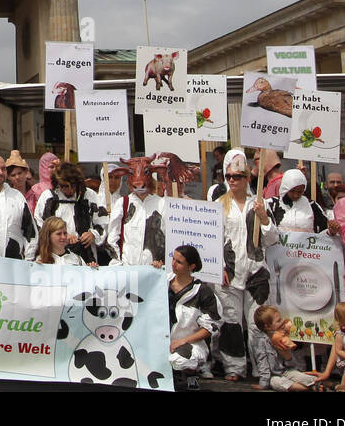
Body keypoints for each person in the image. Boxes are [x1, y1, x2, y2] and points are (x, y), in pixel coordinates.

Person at [214, 148, 279, 381]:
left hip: (256, 273)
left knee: (257, 324)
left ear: (248, 178)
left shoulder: (260, 204)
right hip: (229, 273)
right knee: (230, 322)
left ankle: (263, 370)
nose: (232, 181)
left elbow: (272, 240)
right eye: (229, 176)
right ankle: (234, 368)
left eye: (238, 177)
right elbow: (214, 240)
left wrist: (263, 218)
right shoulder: (220, 205)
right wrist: (219, 266)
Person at [32, 161, 109, 265]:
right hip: (55, 255)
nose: (69, 190)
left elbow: (103, 221)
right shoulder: (49, 197)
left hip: (85, 254)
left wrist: (93, 234)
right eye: (64, 186)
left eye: (73, 185)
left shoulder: (89, 195)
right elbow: (39, 225)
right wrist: (61, 236)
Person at [167, 245, 219, 386]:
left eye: (179, 262)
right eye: (173, 259)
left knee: (181, 360)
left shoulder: (203, 291)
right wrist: (153, 270)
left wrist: (183, 341)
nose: (173, 264)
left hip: (188, 344)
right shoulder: (162, 282)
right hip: (161, 342)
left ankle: (191, 381)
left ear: (191, 266)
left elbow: (210, 327)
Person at [251, 305, 319, 391]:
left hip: (287, 371)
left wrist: (287, 356)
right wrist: (263, 383)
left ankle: (327, 384)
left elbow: (293, 365)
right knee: (276, 383)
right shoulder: (260, 341)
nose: (283, 321)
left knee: (303, 377)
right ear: (267, 326)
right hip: (273, 375)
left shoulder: (283, 336)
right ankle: (310, 388)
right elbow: (262, 363)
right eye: (278, 321)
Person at [107, 167, 165, 267]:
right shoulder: (123, 203)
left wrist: (161, 261)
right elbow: (113, 236)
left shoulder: (162, 204)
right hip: (127, 269)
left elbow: (166, 236)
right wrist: (118, 263)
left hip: (154, 271)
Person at [266, 168, 329, 233]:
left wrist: (331, 231)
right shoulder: (272, 204)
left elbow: (324, 230)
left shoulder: (312, 205)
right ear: (285, 188)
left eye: (299, 192)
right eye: (292, 191)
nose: (295, 195)